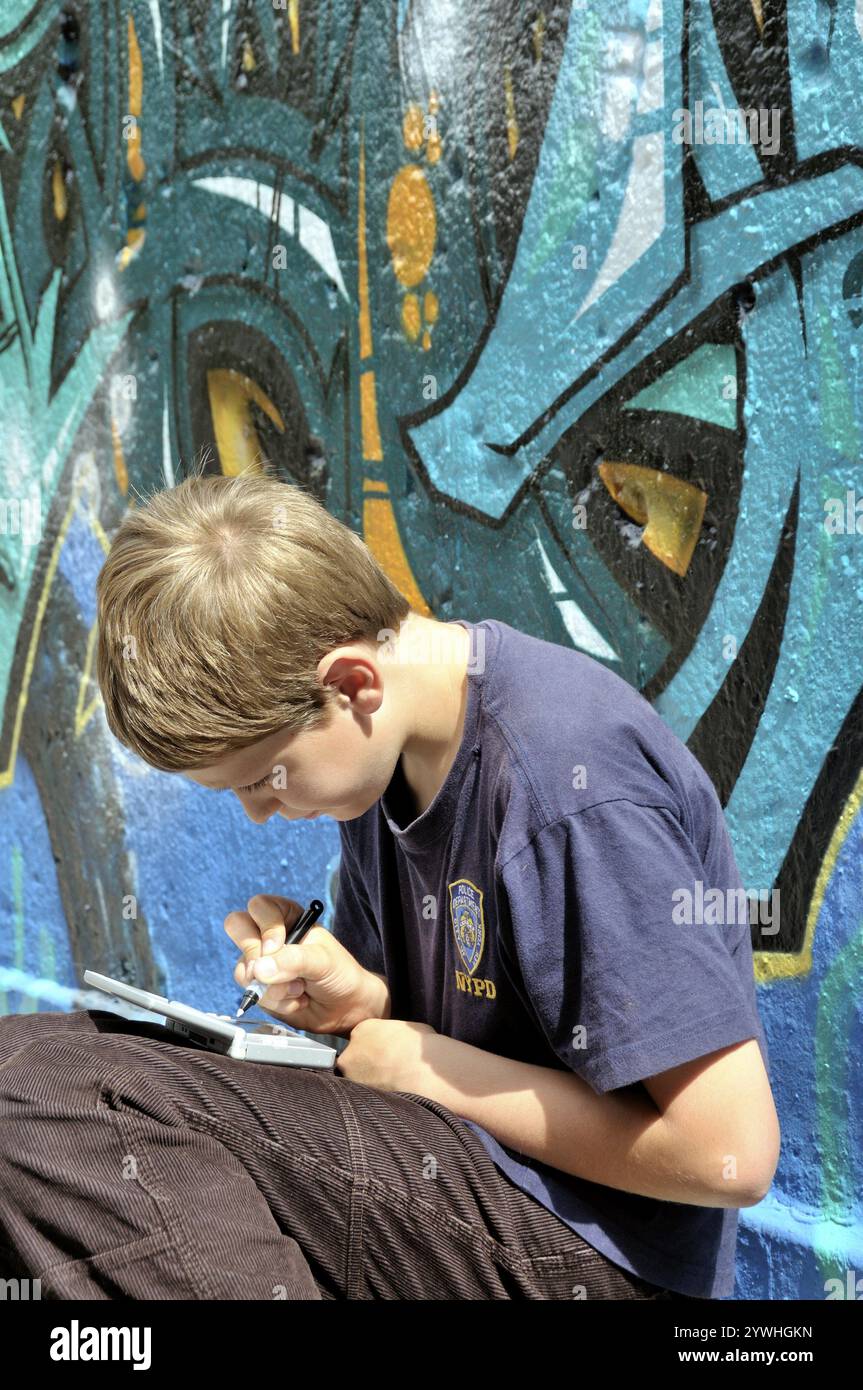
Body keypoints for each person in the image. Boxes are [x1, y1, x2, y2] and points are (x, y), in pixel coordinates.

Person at [0, 471, 780, 1300]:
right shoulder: (385, 760)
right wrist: (359, 1007)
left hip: (592, 1253)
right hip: (464, 1179)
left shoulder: (570, 786)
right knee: (38, 1062)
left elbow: (726, 1153)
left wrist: (426, 1068)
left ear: (350, 686)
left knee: (40, 1096)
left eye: (265, 778)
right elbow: (436, 1038)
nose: (261, 813)